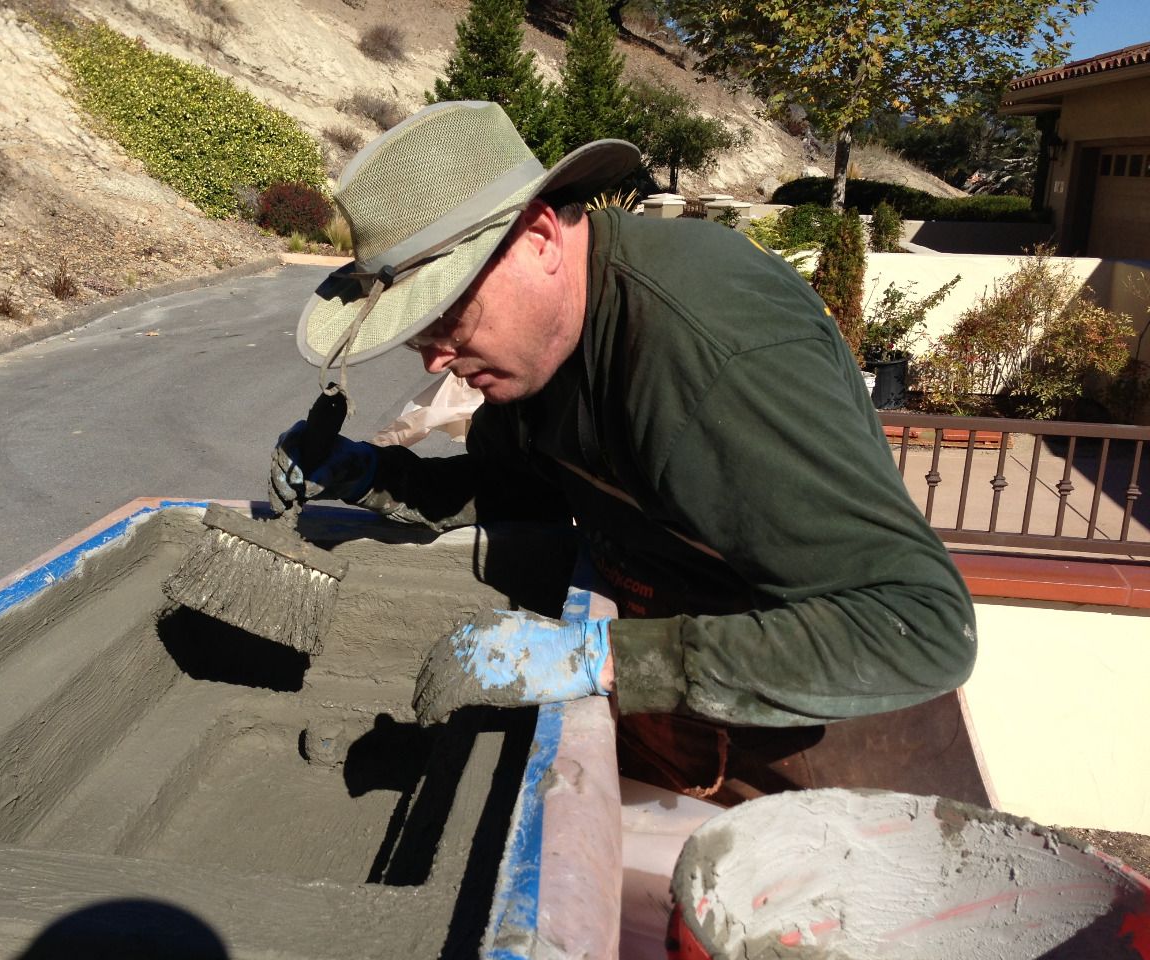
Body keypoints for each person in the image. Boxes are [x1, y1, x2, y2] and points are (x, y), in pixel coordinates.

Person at [269, 101, 977, 801]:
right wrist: (375, 476)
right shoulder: (541, 350)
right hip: (681, 708)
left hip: (830, 759)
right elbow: (525, 494)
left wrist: (602, 656)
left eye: (448, 316)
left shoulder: (715, 352)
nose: (435, 362)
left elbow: (918, 625)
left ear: (539, 237)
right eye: (419, 337)